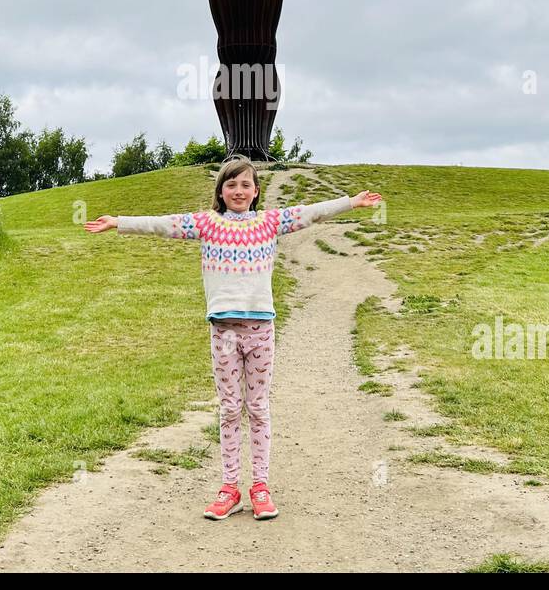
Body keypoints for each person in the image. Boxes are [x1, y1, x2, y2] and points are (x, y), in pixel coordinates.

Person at [84, 154, 382, 520]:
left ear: (256, 191)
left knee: (257, 408)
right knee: (229, 409)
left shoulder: (270, 222)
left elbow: (310, 213)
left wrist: (351, 202)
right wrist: (119, 223)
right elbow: (164, 224)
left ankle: (260, 487)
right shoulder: (207, 224)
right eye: (231, 185)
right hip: (223, 331)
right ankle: (230, 488)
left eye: (245, 185)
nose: (238, 191)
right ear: (221, 192)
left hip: (261, 330)